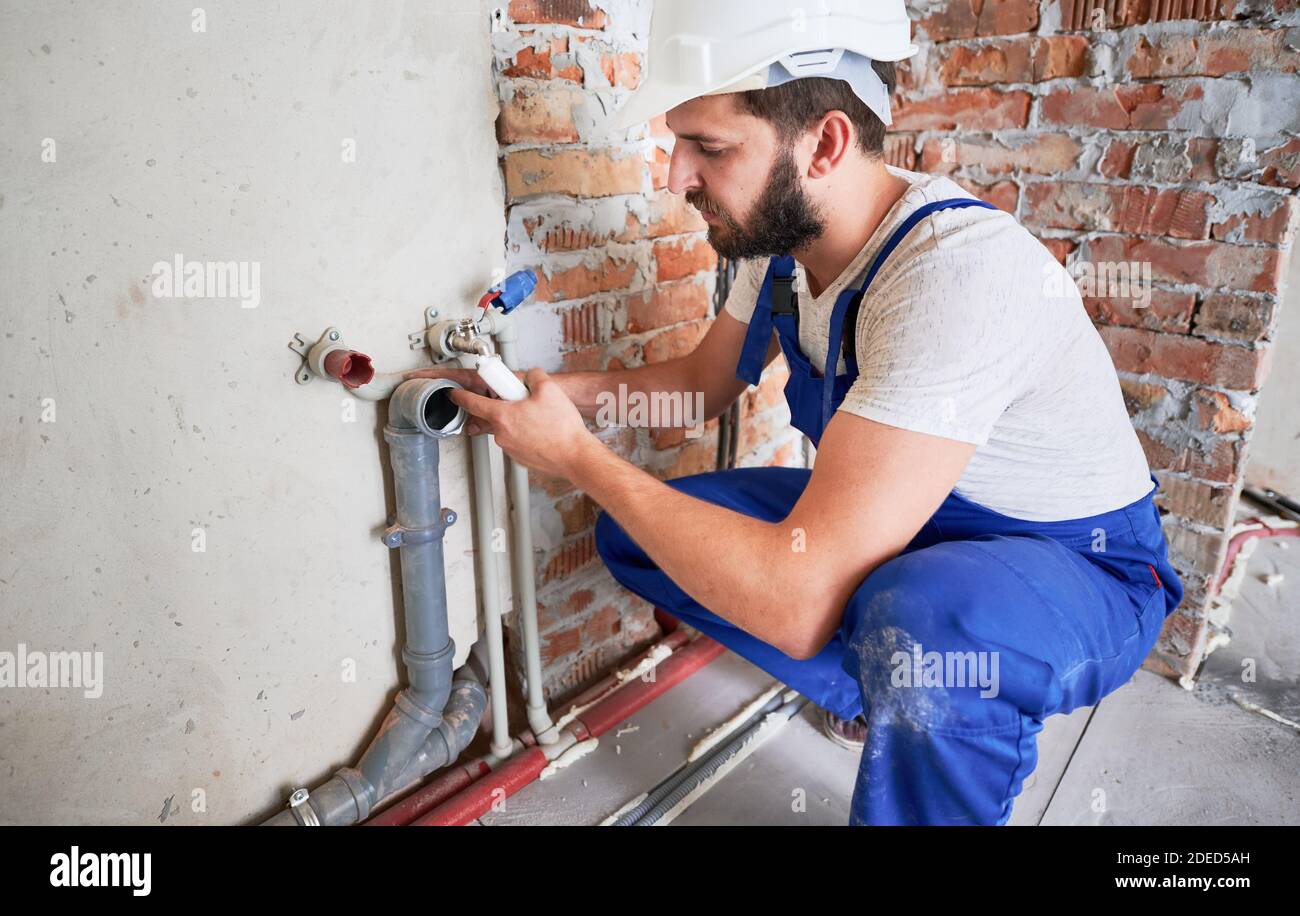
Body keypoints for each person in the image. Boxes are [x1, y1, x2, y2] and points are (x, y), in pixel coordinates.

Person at [412, 0, 1183, 825]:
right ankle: (888, 688)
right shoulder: (781, 243)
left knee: (923, 626)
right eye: (680, 142)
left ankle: (927, 706)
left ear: (825, 144)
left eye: (707, 147)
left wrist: (579, 460)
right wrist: (568, 398)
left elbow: (797, 604)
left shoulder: (952, 276)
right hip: (913, 529)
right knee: (637, 532)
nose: (676, 177)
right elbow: (703, 385)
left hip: (1073, 566)